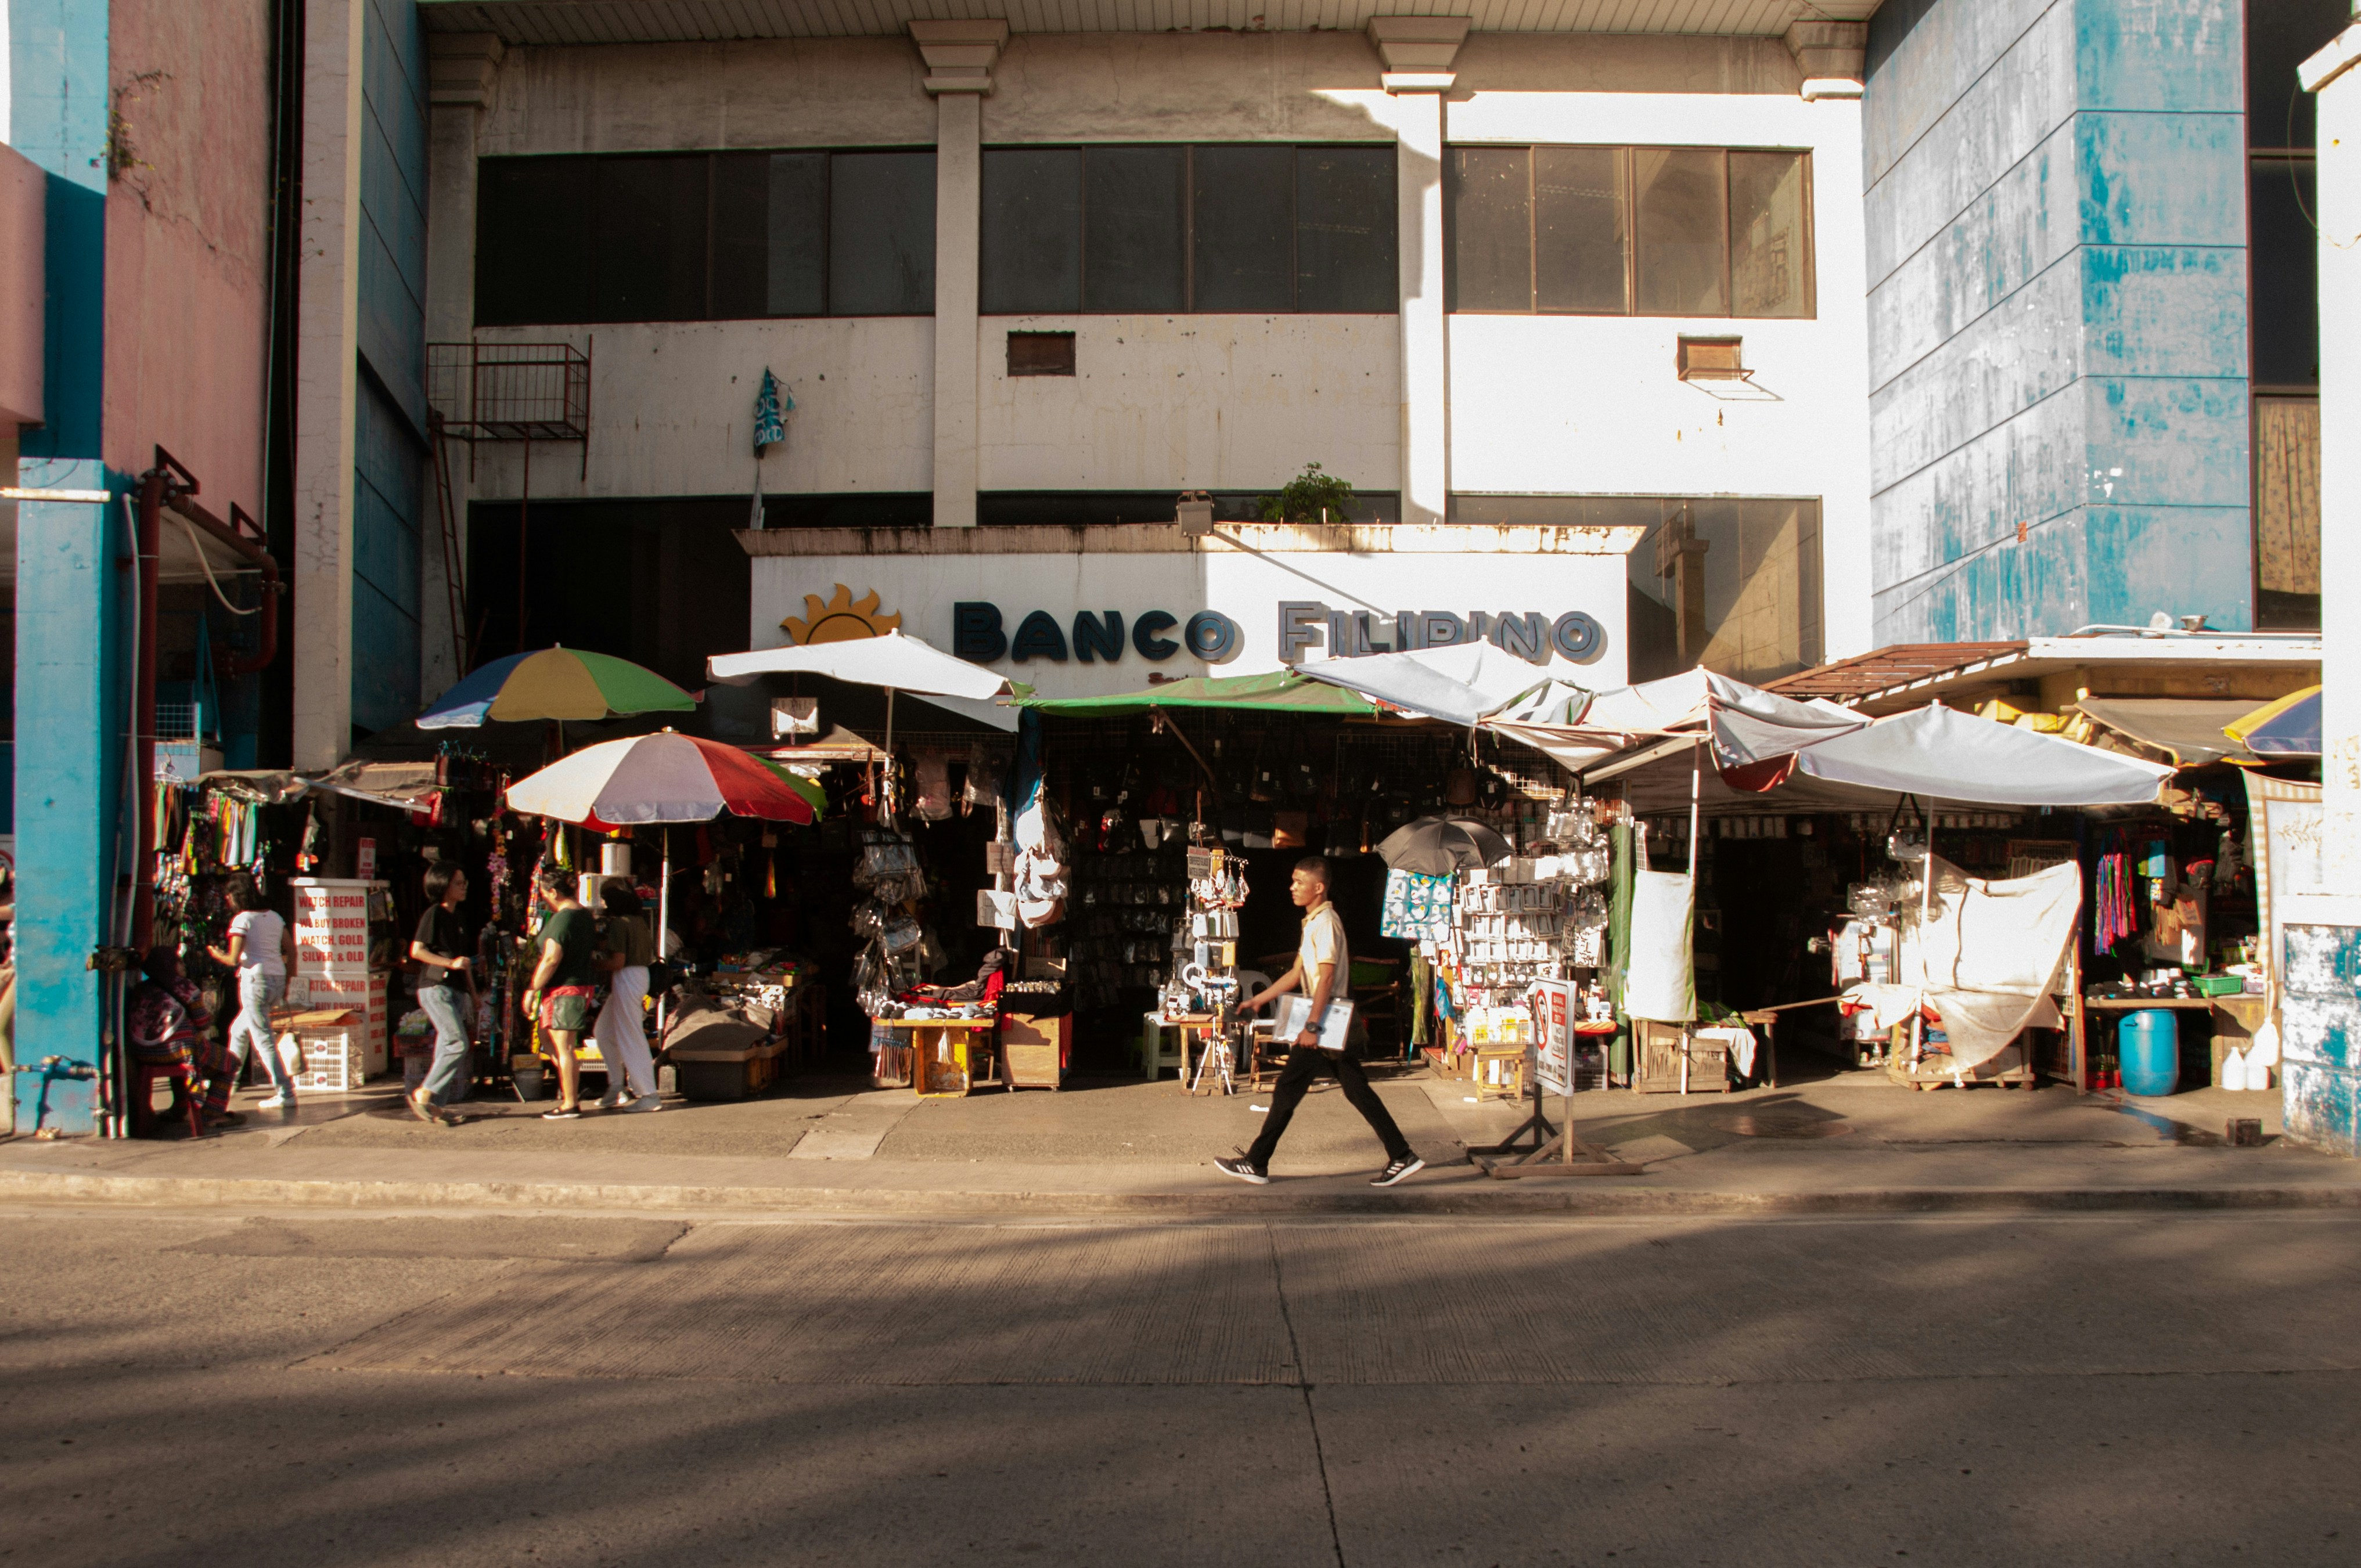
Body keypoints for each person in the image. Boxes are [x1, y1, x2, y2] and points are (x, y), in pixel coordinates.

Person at [1217, 856, 1423, 1188]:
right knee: (1356, 1090)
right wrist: (1258, 999)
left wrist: (1312, 1027)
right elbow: (1298, 974)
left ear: (1319, 887)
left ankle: (1257, 1163)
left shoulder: (1326, 922)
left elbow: (1325, 979)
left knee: (1288, 1089)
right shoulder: (1312, 922)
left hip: (1326, 1022)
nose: (1292, 887)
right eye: (1293, 880)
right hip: (1327, 1022)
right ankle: (1401, 1154)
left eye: (1299, 881)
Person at [206, 875, 298, 1111]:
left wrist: (215, 953)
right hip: (276, 979)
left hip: (255, 981)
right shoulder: (275, 917)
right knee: (238, 1031)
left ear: (237, 896)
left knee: (263, 1039)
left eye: (228, 896)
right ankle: (228, 1081)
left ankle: (285, 1091)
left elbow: (232, 959)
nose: (227, 900)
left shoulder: (242, 919)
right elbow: (291, 951)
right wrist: (287, 982)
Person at [127, 946, 237, 1130]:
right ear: (172, 964)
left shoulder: (141, 989)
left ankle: (179, 1108)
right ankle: (212, 1114)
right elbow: (203, 1023)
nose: (182, 965)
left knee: (178, 1059)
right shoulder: (184, 987)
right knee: (230, 1063)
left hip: (143, 1053)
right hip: (180, 1052)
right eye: (178, 961)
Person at [521, 864, 599, 1119]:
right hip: (576, 986)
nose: (544, 898)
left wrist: (533, 989)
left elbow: (551, 958)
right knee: (548, 1037)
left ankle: (569, 1103)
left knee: (563, 1047)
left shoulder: (564, 918)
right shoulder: (584, 915)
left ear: (553, 892)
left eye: (544, 893)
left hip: (565, 988)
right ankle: (570, 1088)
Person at [406, 863, 476, 1125]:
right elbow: (417, 951)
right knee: (457, 1043)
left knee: (446, 1046)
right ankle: (426, 1092)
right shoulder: (434, 913)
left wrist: (472, 992)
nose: (464, 887)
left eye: (464, 882)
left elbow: (463, 960)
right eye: (459, 883)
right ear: (444, 886)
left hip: (456, 989)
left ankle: (435, 1106)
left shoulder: (459, 917)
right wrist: (449, 964)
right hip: (435, 988)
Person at [590, 882, 663, 1112]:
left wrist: (593, 964)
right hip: (639, 976)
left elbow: (617, 962)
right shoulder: (638, 922)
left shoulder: (621, 924)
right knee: (603, 1031)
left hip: (627, 977)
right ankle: (616, 1087)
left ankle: (648, 1093)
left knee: (629, 1035)